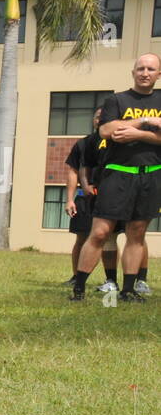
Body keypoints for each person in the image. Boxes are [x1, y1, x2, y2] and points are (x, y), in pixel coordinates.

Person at [72, 56, 161, 301]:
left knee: (137, 233)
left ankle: (128, 290)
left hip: (151, 175)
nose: (145, 73)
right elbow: (107, 131)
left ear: (158, 73)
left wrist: (136, 134)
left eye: (151, 69)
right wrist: (146, 122)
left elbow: (124, 132)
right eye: (140, 68)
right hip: (116, 174)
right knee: (100, 232)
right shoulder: (116, 100)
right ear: (132, 72)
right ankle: (78, 289)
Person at [63, 106, 122, 291]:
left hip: (112, 197)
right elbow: (74, 171)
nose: (100, 120)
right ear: (93, 120)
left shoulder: (119, 142)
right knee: (82, 238)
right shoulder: (84, 143)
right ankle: (77, 277)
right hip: (86, 199)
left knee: (109, 238)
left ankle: (110, 281)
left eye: (104, 118)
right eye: (97, 117)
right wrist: (70, 199)